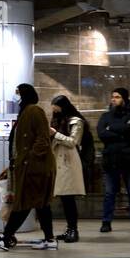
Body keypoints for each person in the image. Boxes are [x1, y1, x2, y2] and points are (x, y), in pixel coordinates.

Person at [0, 83, 57, 251]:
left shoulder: (34, 111)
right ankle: (50, 240)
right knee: (40, 203)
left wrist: (28, 160)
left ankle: (6, 237)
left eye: (18, 93)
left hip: (35, 168)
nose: (15, 96)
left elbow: (42, 139)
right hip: (30, 166)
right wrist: (14, 164)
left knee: (24, 202)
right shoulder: (26, 112)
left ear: (25, 94)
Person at [97, 87, 130, 234]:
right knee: (109, 193)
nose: (114, 99)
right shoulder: (106, 116)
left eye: (117, 97)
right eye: (113, 97)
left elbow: (129, 129)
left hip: (128, 159)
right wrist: (121, 133)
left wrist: (112, 130)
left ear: (124, 98)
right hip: (111, 159)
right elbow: (101, 133)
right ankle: (106, 222)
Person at [49, 94, 86, 243]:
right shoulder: (58, 120)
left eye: (57, 109)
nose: (55, 112)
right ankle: (69, 229)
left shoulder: (76, 121)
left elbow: (73, 141)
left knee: (68, 197)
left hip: (68, 161)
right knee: (64, 199)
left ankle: (73, 229)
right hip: (58, 160)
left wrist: (55, 133)